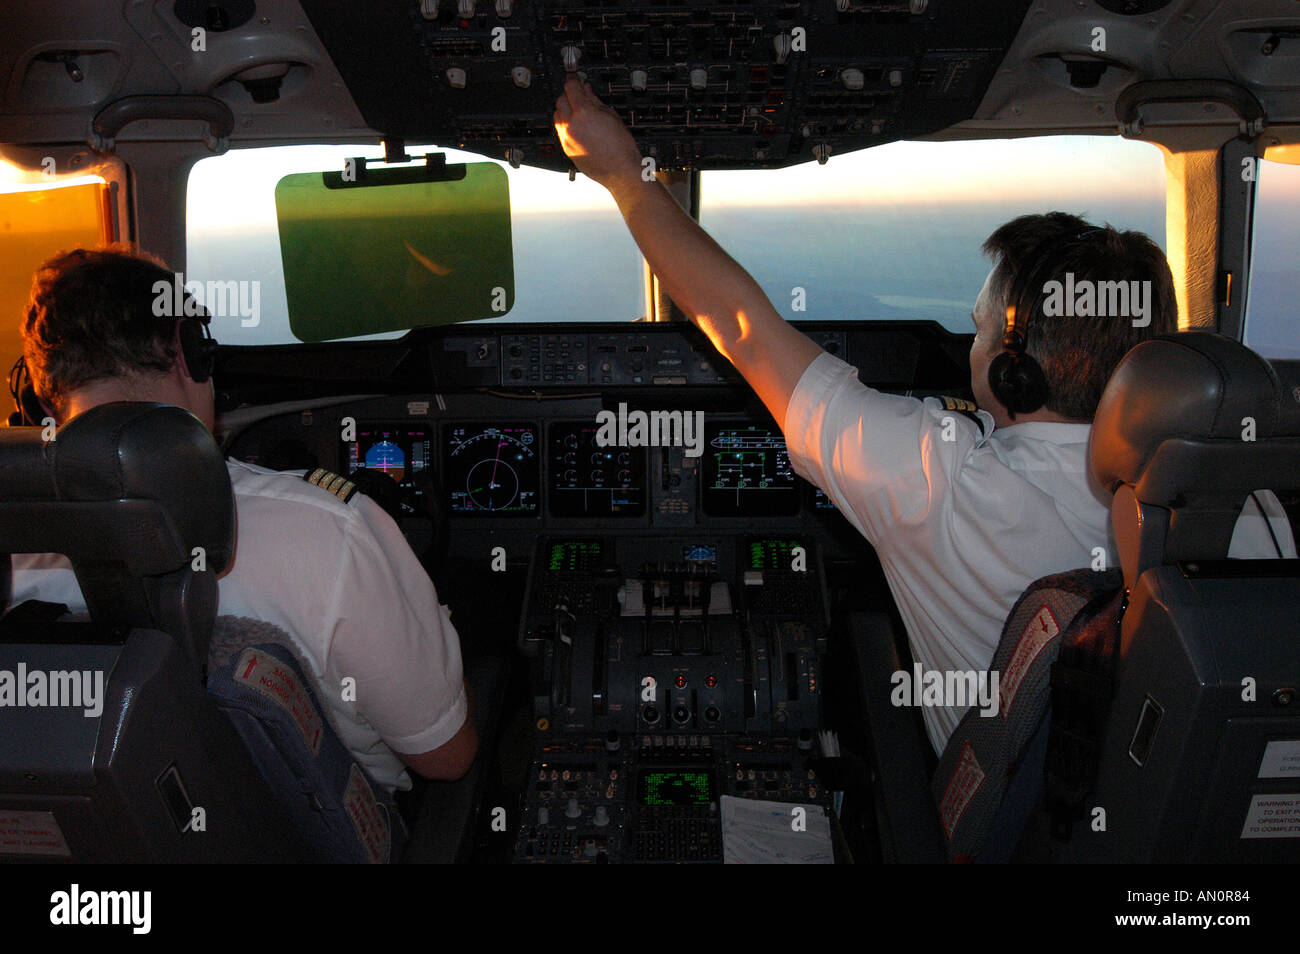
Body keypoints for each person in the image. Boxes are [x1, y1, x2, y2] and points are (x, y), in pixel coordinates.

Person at [552, 77, 1296, 754]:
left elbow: (741, 328)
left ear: (1015, 368)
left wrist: (623, 177)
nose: (968, 344)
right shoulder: (1242, 509)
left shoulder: (939, 482)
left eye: (976, 330)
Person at [8, 246, 477, 792]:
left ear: (39, 393)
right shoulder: (327, 534)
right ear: (188, 352)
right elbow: (446, 757)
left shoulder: (13, 548)